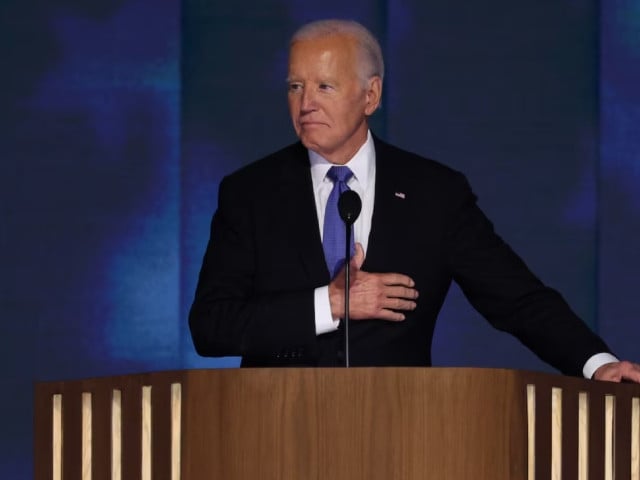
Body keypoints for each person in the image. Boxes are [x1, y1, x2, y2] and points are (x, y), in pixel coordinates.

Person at [189, 19, 640, 382]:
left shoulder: (434, 194)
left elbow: (517, 299)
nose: (306, 103)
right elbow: (211, 325)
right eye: (294, 87)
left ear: (371, 95)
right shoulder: (249, 192)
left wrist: (596, 363)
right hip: (269, 435)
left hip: (401, 432)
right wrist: (329, 304)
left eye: (325, 86)